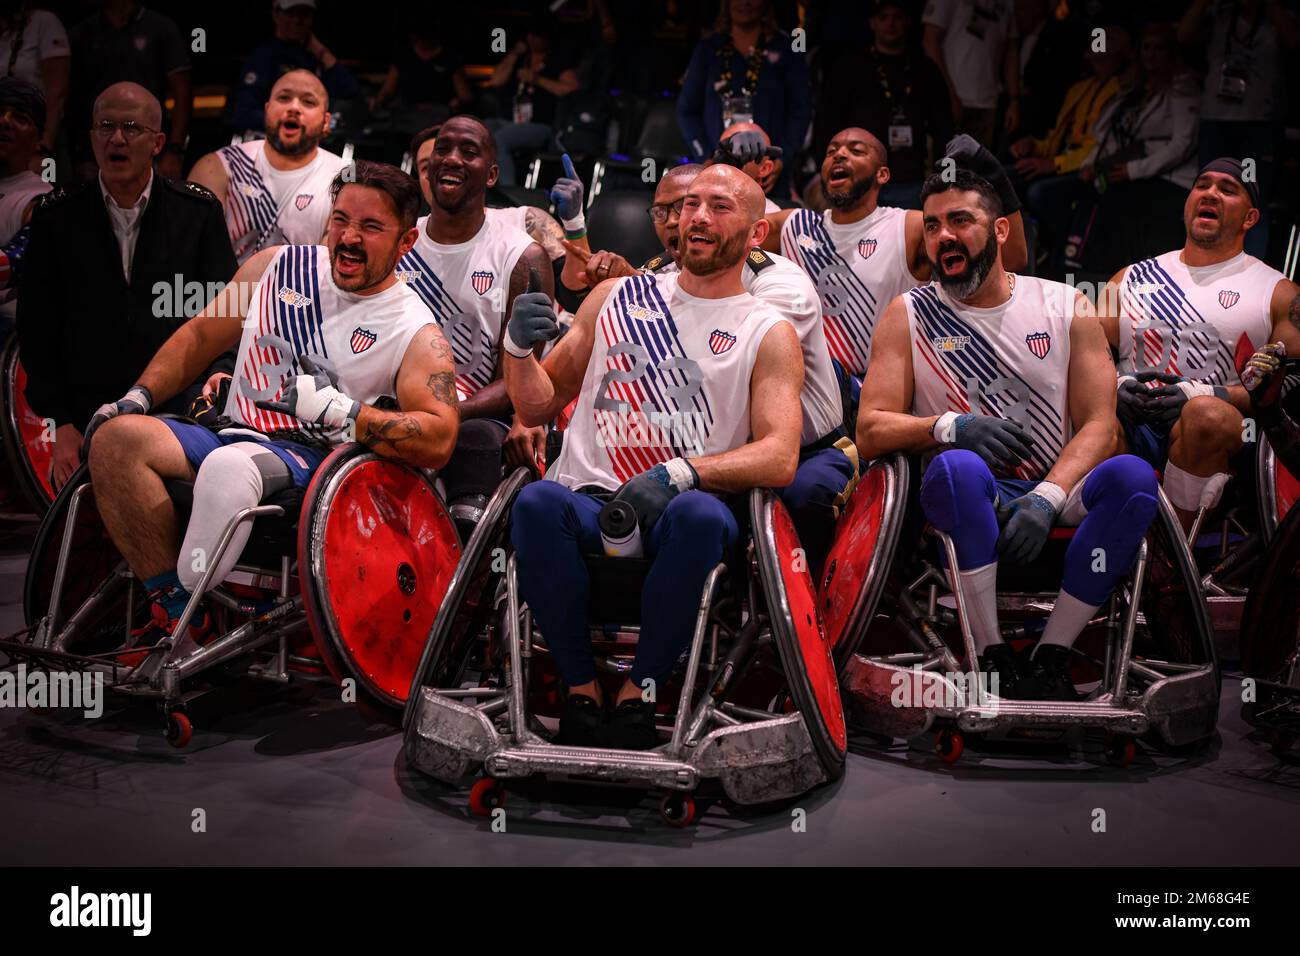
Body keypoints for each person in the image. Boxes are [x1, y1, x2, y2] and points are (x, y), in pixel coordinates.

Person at [83, 160, 458, 649]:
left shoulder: (417, 329)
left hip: (313, 460)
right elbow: (199, 335)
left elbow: (441, 436)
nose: (347, 237)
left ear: (405, 242)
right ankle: (178, 614)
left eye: (370, 227)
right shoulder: (277, 266)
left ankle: (185, 614)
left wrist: (345, 414)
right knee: (116, 441)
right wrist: (139, 395)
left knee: (227, 468)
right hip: (228, 429)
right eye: (341, 220)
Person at [503, 165, 804, 749]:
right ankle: (580, 688)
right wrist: (517, 350)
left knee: (698, 516)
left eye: (720, 207)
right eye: (690, 205)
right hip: (590, 502)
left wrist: (680, 474)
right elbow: (539, 407)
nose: (697, 217)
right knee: (536, 501)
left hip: (682, 515)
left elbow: (779, 455)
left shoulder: (767, 329)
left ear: (757, 234)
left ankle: (641, 691)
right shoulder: (613, 297)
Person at [856, 167, 1158, 700]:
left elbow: (1100, 423)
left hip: (1055, 492)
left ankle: (1052, 656)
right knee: (958, 465)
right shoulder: (907, 313)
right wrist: (949, 425)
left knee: (1133, 475)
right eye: (932, 226)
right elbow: (871, 428)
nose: (943, 236)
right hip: (966, 498)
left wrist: (1048, 496)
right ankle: (989, 654)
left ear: (998, 231)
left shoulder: (1066, 304)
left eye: (960, 221)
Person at [560, 160, 852, 573]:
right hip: (718, 444)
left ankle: (804, 615)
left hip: (806, 446)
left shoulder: (783, 283)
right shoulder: (660, 275)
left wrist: (635, 297)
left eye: (702, 207)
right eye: (666, 210)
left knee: (801, 496)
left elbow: (711, 357)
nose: (682, 220)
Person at [17, 82, 236, 491]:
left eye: (131, 128)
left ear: (157, 142)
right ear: (91, 138)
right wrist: (59, 422)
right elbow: (37, 330)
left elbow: (226, 310)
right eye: (106, 126)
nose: (117, 138)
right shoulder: (56, 217)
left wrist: (222, 372)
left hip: (178, 403)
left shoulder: (198, 212)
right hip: (85, 410)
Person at [1098, 158, 1300, 534]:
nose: (1210, 193)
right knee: (1091, 414)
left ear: (1250, 218)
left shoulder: (1278, 292)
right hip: (1132, 421)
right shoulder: (1130, 278)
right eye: (1202, 185)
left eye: (1227, 189)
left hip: (1220, 432)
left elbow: (1288, 387)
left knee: (1204, 415)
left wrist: (1202, 393)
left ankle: (1168, 565)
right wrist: (1116, 386)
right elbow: (1083, 359)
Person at [764, 129, 1027, 384]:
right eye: (831, 151)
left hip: (884, 390)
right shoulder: (795, 224)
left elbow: (1013, 257)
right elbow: (730, 236)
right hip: (810, 392)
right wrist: (733, 164)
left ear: (882, 174)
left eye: (856, 150)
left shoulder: (907, 226)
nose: (839, 155)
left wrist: (993, 172)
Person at [397, 116, 551, 532]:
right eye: (443, 149)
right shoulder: (398, 242)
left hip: (474, 413)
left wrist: (445, 413)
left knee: (480, 439)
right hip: (391, 403)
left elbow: (519, 377)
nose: (451, 159)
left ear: (492, 174)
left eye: (469, 152)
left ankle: (465, 574)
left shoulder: (523, 257)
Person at [1074, 22, 1200, 274]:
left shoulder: (1182, 87)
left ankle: (1121, 279)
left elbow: (1182, 144)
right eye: (1145, 48)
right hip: (1137, 173)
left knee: (1118, 201)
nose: (1151, 54)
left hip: (1171, 178)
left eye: (1158, 48)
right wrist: (1092, 163)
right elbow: (1109, 133)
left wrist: (1133, 170)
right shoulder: (1135, 90)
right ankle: (1086, 271)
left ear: (1170, 53)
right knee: (1092, 194)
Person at [1178, 0, 1300, 259]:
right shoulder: (1217, 13)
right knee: (1204, 192)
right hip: (1216, 120)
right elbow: (1182, 36)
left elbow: (1294, 42)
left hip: (1257, 125)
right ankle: (1195, 260)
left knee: (1251, 197)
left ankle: (1248, 269)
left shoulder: (1276, 16)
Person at [189, 70, 348, 264]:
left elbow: (328, 269)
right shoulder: (219, 166)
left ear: (325, 121)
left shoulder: (344, 179)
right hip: (224, 291)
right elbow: (194, 254)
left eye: (308, 102)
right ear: (267, 110)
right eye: (284, 98)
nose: (294, 108)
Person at [1006, 23, 1129, 274]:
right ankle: (1018, 250)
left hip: (1087, 169)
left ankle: (1056, 249)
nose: (1099, 51)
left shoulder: (1123, 90)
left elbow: (1102, 147)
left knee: (1040, 193)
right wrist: (1035, 145)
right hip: (1058, 161)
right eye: (1096, 43)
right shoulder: (1079, 88)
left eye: (1107, 43)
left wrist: (1054, 164)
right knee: (1001, 178)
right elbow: (1058, 138)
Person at [816, 0, 953, 211]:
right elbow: (827, 122)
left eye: (897, 17)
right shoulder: (849, 66)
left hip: (911, 179)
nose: (891, 24)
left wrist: (942, 179)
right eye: (883, 17)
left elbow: (943, 127)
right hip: (859, 180)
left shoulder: (924, 68)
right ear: (872, 23)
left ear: (907, 22)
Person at [677, 0, 810, 199]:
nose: (745, 3)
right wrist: (705, 158)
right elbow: (687, 110)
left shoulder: (787, 49)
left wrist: (782, 159)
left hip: (769, 176)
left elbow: (801, 111)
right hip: (716, 170)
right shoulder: (708, 49)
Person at [68, 0, 191, 180]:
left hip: (148, 145)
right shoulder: (81, 33)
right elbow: (68, 96)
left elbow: (182, 91)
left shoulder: (161, 28)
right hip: (95, 149)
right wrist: (77, 149)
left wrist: (175, 149)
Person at [228, 0, 360, 135]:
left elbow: (351, 91)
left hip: (310, 143)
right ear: (276, 14)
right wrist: (292, 122)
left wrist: (322, 52)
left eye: (304, 14)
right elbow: (242, 113)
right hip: (267, 139)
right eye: (291, 13)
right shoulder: (264, 56)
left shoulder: (315, 56)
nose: (297, 20)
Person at [483, 19, 578, 187]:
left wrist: (538, 79)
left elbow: (571, 90)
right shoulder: (521, 60)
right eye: (530, 35)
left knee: (500, 138)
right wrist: (514, 54)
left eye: (538, 35)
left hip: (542, 125)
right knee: (480, 131)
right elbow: (496, 80)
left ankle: (508, 192)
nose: (533, 39)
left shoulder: (557, 62)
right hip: (510, 120)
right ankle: (480, 188)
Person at [922, 0, 1020, 144]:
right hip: (951, 100)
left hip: (989, 102)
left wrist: (1014, 100)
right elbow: (930, 41)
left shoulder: (1008, 3)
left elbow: (1011, 50)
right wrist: (947, 94)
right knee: (947, 163)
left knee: (979, 164)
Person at [0, 77, 52, 328]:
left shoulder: (43, 200)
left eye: (20, 117)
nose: (4, 120)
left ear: (39, 139)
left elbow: (15, 262)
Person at [0, 2, 65, 167]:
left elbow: (56, 92)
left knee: (44, 188)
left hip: (38, 139)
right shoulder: (5, 29)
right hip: (5, 140)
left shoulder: (45, 22)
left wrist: (43, 147)